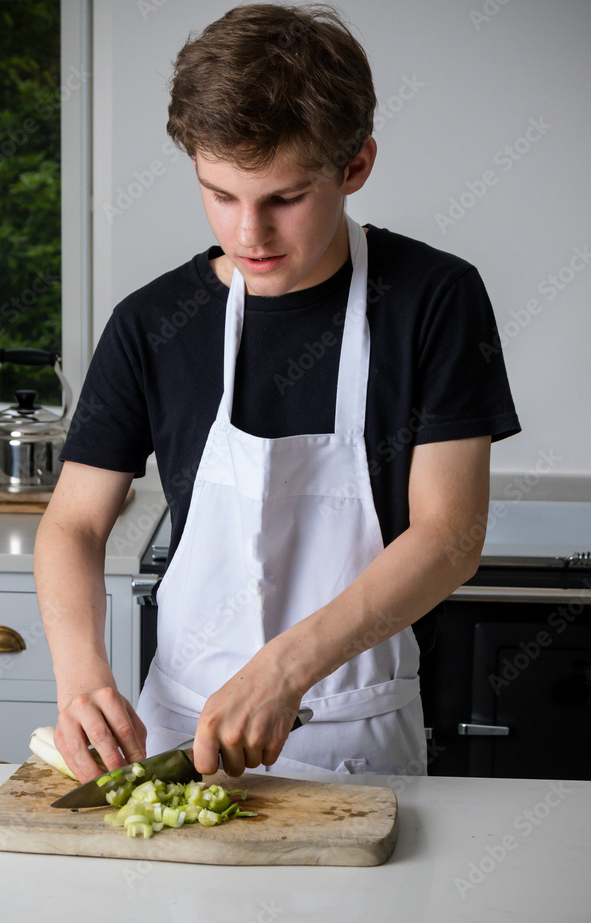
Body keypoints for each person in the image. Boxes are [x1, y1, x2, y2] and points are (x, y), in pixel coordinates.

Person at [33, 3, 520, 783]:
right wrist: (82, 676)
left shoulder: (433, 299)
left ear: (354, 166)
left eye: (284, 198)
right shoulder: (153, 322)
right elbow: (74, 526)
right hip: (176, 730)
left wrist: (284, 668)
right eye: (219, 194)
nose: (248, 233)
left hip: (355, 735)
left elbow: (450, 536)